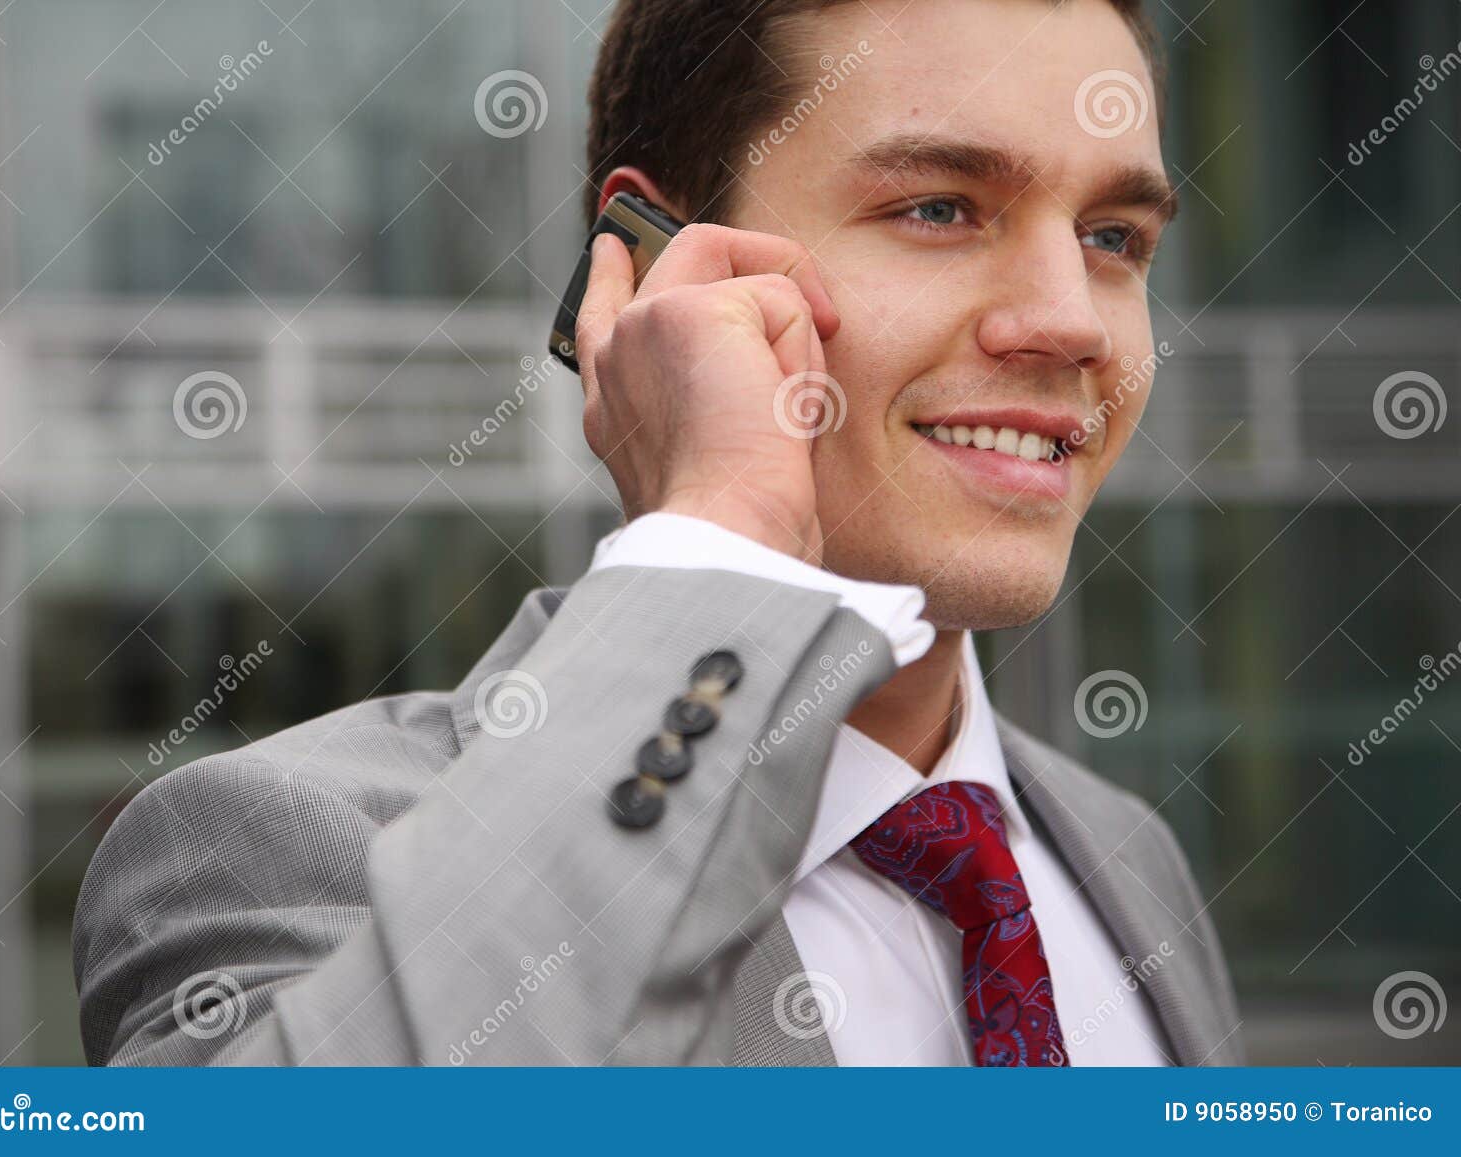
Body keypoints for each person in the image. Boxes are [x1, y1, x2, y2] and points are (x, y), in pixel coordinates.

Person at [73, 0, 1243, 1066]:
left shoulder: (1125, 858)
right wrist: (723, 527)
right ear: (645, 269)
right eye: (937, 208)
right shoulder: (280, 847)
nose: (1068, 320)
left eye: (1112, 238)